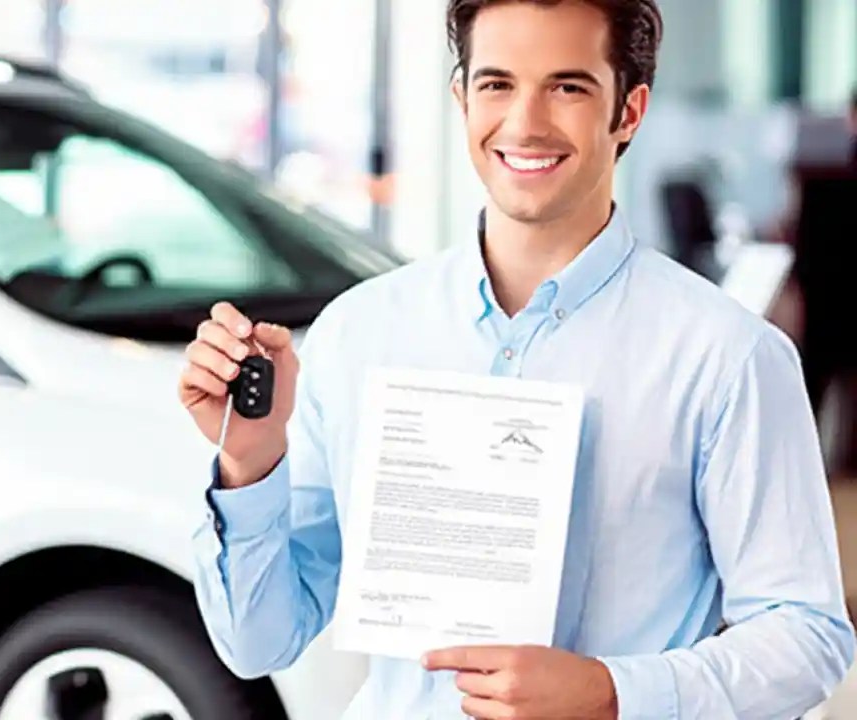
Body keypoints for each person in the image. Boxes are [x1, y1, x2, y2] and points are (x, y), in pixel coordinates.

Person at [177, 0, 857, 718]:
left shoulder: (729, 356)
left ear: (628, 111)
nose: (526, 123)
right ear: (461, 97)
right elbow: (259, 645)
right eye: (497, 84)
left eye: (567, 86)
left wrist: (610, 691)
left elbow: (807, 636)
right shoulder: (358, 333)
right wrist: (250, 468)